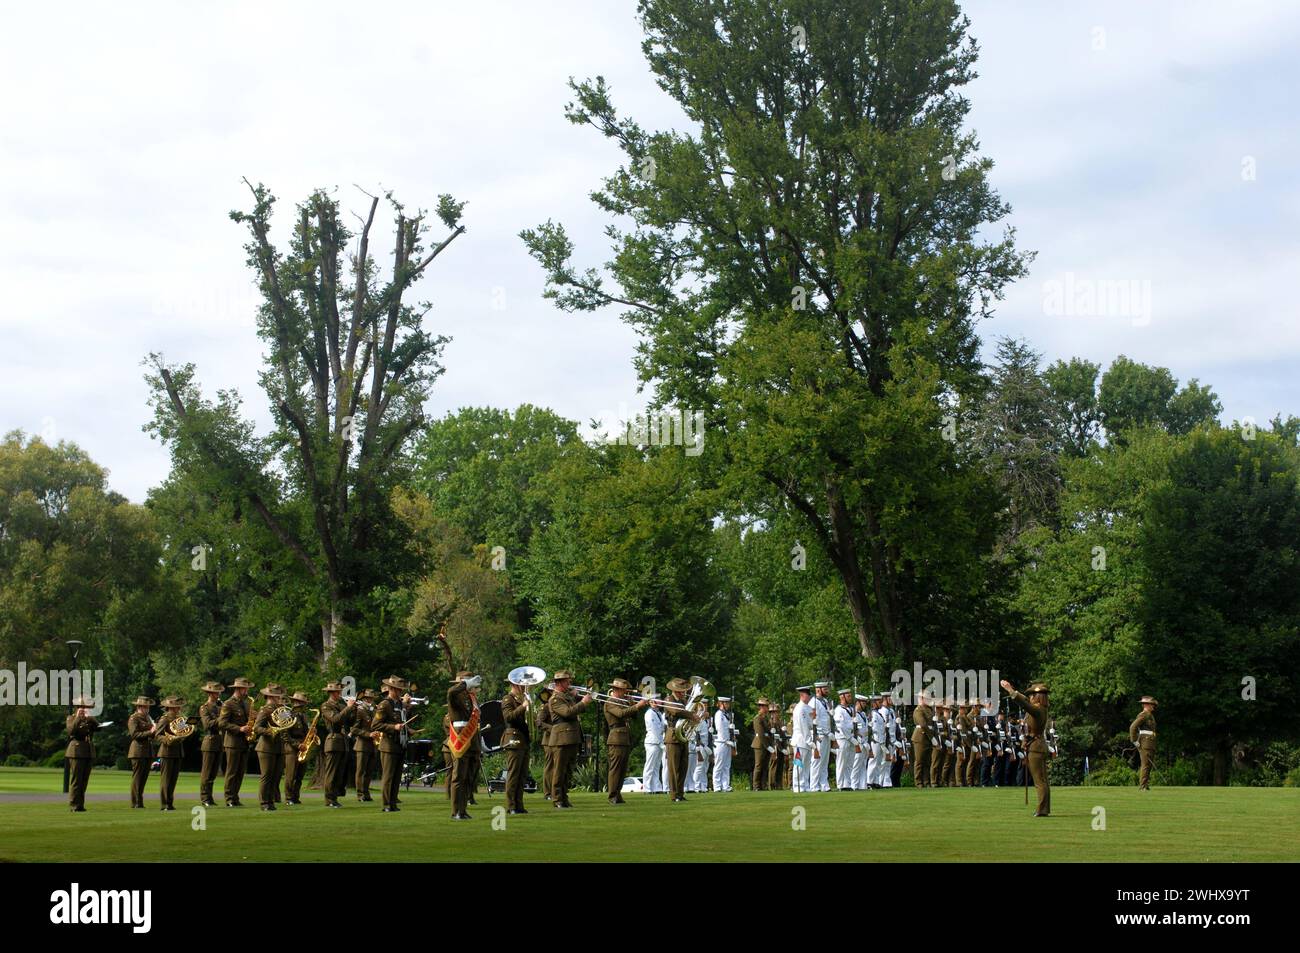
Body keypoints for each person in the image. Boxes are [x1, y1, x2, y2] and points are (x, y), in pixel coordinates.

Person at [1001, 679, 1051, 817]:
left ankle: (1042, 809)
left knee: (1039, 781)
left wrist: (1011, 690)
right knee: (1043, 780)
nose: (1030, 697)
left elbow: (1024, 704)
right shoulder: (1041, 709)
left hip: (1035, 747)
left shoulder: (1037, 709)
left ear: (1037, 697)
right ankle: (1044, 808)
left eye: (1032, 695)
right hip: (1037, 746)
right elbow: (1027, 703)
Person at [546, 671, 595, 808]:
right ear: (559, 682)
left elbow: (577, 710)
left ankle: (564, 796)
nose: (570, 683)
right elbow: (567, 713)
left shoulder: (566, 697)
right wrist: (583, 702)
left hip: (571, 737)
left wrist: (577, 698)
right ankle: (557, 799)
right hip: (561, 738)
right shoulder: (555, 698)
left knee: (568, 770)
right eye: (567, 681)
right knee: (559, 770)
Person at [604, 678, 648, 804]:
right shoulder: (610, 702)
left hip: (624, 738)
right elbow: (621, 714)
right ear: (617, 690)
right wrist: (636, 706)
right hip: (616, 737)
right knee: (616, 768)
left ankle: (618, 794)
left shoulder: (622, 701)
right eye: (624, 690)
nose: (626, 693)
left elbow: (633, 716)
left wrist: (634, 704)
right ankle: (612, 795)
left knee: (623, 769)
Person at [447, 670, 482, 820]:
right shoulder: (455, 696)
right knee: (459, 777)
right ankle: (456, 811)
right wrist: (465, 683)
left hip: (472, 740)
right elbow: (451, 692)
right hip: (461, 739)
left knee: (468, 778)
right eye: (469, 682)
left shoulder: (472, 698)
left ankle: (463, 809)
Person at [371, 675, 410, 812]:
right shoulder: (385, 704)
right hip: (388, 745)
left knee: (397, 776)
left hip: (400, 744)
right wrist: (393, 728)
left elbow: (400, 721)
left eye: (401, 690)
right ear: (391, 689)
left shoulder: (399, 704)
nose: (400, 692)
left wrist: (408, 729)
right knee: (388, 776)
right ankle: (386, 804)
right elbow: (375, 725)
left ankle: (393, 802)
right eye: (398, 690)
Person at [218, 677, 254, 807]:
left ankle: (235, 797)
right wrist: (239, 728)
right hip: (232, 742)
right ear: (238, 689)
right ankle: (229, 799)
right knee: (232, 772)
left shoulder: (245, 703)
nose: (247, 691)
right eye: (245, 688)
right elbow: (222, 723)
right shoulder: (228, 703)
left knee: (240, 772)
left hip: (244, 742)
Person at [319, 681, 356, 808]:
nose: (340, 693)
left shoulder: (341, 705)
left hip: (343, 741)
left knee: (339, 773)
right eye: (338, 691)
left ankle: (334, 797)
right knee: (331, 773)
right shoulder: (326, 706)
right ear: (332, 693)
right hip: (333, 740)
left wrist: (354, 709)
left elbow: (350, 721)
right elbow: (336, 719)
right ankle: (329, 799)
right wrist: (349, 707)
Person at [253, 684, 286, 811]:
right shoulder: (265, 709)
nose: (279, 697)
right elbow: (256, 728)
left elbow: (286, 725)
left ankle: (270, 801)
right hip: (266, 747)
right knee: (266, 776)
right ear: (271, 696)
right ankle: (264, 802)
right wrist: (270, 731)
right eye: (277, 695)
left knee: (276, 776)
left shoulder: (281, 709)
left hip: (278, 746)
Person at [662, 677, 695, 802]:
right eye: (681, 691)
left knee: (683, 766)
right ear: (675, 691)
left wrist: (700, 714)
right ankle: (674, 794)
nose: (683, 693)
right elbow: (676, 711)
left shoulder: (684, 701)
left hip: (683, 735)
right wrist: (691, 714)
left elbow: (692, 711)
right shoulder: (668, 699)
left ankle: (680, 793)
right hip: (673, 736)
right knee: (673, 768)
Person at [65, 696, 98, 812]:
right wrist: (78, 717)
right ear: (78, 708)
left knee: (84, 780)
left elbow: (98, 728)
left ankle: (80, 804)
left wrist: (91, 718)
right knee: (76, 780)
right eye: (83, 707)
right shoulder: (71, 718)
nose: (85, 709)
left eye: (87, 708)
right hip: (76, 751)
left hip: (88, 752)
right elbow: (71, 731)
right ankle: (74, 804)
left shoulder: (89, 720)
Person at [155, 696, 187, 811]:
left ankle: (170, 803)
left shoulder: (180, 719)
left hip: (177, 752)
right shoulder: (165, 719)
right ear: (170, 708)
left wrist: (184, 734)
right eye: (176, 707)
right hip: (167, 752)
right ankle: (165, 804)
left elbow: (182, 734)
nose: (178, 708)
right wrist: (168, 740)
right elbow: (158, 735)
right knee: (166, 780)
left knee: (173, 780)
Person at [126, 695, 156, 809]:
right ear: (139, 707)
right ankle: (136, 802)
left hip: (147, 751)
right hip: (137, 751)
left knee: (143, 778)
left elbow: (151, 735)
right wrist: (150, 731)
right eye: (145, 707)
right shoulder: (134, 718)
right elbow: (134, 735)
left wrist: (155, 731)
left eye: (148, 707)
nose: (147, 709)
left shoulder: (148, 718)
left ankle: (140, 801)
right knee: (137, 778)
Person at [197, 681, 224, 807]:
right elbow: (207, 724)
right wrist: (223, 718)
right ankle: (205, 798)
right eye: (215, 692)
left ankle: (210, 797)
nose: (218, 694)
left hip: (219, 741)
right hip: (210, 740)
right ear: (210, 693)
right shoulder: (204, 708)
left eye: (218, 692)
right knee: (206, 772)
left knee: (213, 773)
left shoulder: (220, 707)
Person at [283, 691, 311, 805]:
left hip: (304, 746)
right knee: (290, 775)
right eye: (302, 704)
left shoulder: (304, 716)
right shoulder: (286, 713)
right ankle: (288, 798)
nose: (303, 706)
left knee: (300, 775)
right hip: (292, 747)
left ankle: (295, 797)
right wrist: (296, 744)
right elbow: (284, 734)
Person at [350, 689, 377, 803]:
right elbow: (354, 729)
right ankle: (360, 794)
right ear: (364, 699)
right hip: (362, 744)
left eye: (371, 698)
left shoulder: (374, 710)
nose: (369, 700)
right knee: (360, 771)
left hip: (373, 745)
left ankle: (366, 793)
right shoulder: (360, 710)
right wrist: (368, 734)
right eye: (367, 698)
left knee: (369, 771)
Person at [1130, 696, 1159, 790]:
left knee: (1148, 765)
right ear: (1146, 705)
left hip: (1150, 742)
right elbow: (1133, 727)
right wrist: (1134, 740)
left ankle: (1145, 785)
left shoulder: (1150, 715)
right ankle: (1142, 786)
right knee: (1145, 764)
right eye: (1152, 705)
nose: (1153, 707)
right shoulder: (1144, 715)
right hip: (1145, 742)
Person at [832, 687, 857, 791]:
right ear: (842, 697)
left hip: (851, 738)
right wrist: (851, 738)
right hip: (843, 738)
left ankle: (847, 783)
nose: (850, 698)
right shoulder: (839, 710)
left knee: (849, 763)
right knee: (841, 763)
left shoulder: (851, 709)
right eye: (848, 696)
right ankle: (840, 784)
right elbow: (841, 726)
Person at [791, 686, 815, 793]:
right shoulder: (800, 708)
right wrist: (810, 741)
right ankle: (797, 786)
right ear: (802, 695)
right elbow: (803, 726)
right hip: (800, 740)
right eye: (807, 695)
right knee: (799, 765)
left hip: (807, 740)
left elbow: (811, 723)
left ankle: (805, 785)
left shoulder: (807, 708)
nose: (809, 697)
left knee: (806, 765)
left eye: (809, 695)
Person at [810, 681, 833, 791]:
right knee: (817, 761)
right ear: (818, 690)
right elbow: (814, 720)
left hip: (827, 735)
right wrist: (825, 731)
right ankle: (814, 785)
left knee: (824, 762)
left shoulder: (825, 701)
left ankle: (824, 784)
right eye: (825, 689)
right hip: (819, 735)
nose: (827, 690)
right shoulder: (813, 702)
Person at [643, 694, 666, 794]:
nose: (659, 701)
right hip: (652, 742)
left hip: (659, 742)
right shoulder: (649, 713)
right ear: (652, 702)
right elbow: (654, 729)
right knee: (650, 766)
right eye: (657, 700)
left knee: (657, 766)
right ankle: (647, 788)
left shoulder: (659, 713)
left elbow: (662, 727)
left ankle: (656, 787)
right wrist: (660, 742)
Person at [712, 696, 735, 792]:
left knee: (726, 765)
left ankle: (725, 785)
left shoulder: (727, 714)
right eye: (726, 703)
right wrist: (725, 740)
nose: (728, 705)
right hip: (721, 742)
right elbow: (719, 728)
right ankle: (717, 786)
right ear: (722, 704)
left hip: (727, 743)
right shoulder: (719, 714)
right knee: (719, 765)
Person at [911, 692, 934, 788]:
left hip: (928, 736)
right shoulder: (918, 710)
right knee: (919, 760)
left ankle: (926, 781)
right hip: (920, 737)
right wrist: (932, 737)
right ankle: (918, 782)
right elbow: (923, 724)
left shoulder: (929, 710)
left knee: (927, 761)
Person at [690, 698, 712, 793]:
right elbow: (696, 734)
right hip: (700, 745)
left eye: (706, 704)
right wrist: (699, 747)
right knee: (699, 767)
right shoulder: (697, 717)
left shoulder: (707, 719)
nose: (705, 706)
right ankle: (696, 786)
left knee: (705, 768)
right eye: (703, 704)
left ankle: (703, 786)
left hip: (706, 745)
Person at [750, 698, 771, 791]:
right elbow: (760, 734)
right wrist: (768, 746)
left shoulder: (765, 718)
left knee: (765, 766)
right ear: (761, 707)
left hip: (765, 744)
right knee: (758, 766)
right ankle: (756, 786)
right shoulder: (757, 718)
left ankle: (763, 785)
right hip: (759, 744)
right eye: (766, 706)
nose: (767, 708)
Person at [852, 695, 871, 790]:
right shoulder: (853, 713)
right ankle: (854, 785)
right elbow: (854, 730)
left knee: (863, 765)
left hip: (865, 742)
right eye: (862, 702)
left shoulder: (863, 714)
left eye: (865, 702)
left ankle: (862, 785)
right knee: (856, 765)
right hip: (859, 742)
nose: (864, 704)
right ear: (857, 702)